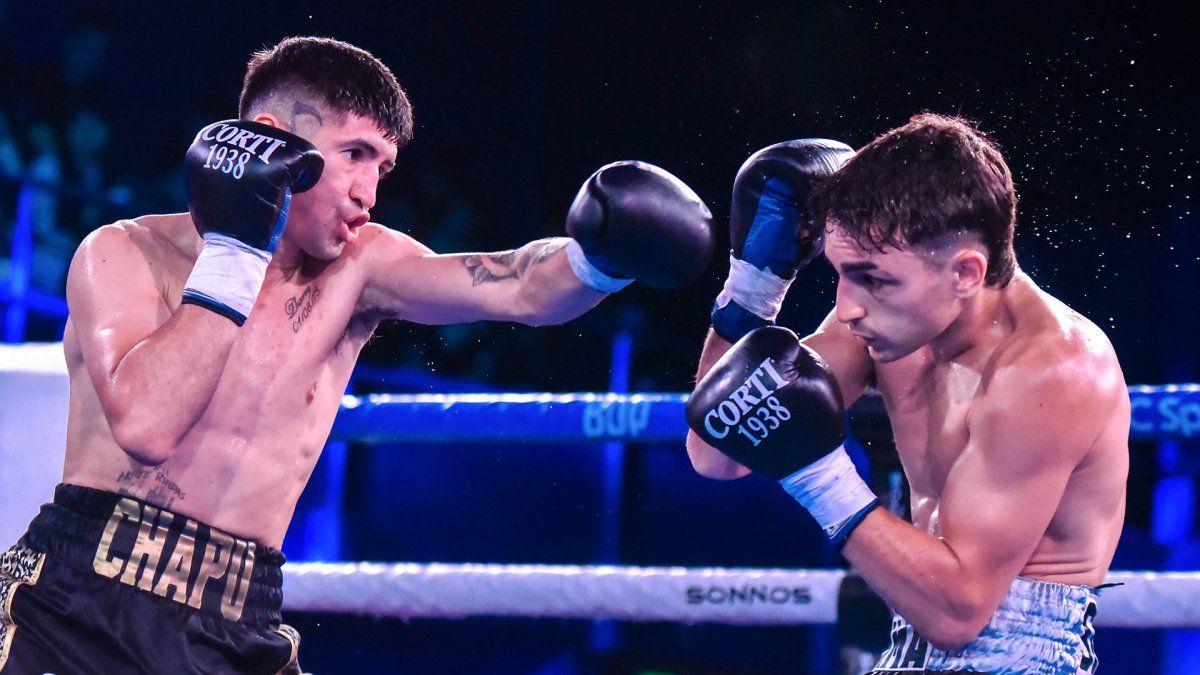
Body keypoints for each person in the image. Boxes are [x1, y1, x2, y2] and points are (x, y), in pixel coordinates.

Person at [0, 36, 714, 674]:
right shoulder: (124, 254)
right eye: (354, 156)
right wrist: (235, 248)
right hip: (74, 606)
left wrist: (602, 255)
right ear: (270, 141)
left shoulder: (360, 270)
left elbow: (520, 286)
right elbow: (149, 426)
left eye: (384, 166)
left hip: (236, 619)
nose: (369, 193)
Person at [685, 114, 1128, 674]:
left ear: (967, 273)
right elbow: (718, 450)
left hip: (1021, 658)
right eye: (841, 274)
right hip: (910, 645)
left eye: (873, 277)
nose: (847, 306)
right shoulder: (889, 322)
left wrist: (818, 476)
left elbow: (957, 615)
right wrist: (753, 286)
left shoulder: (1051, 370)